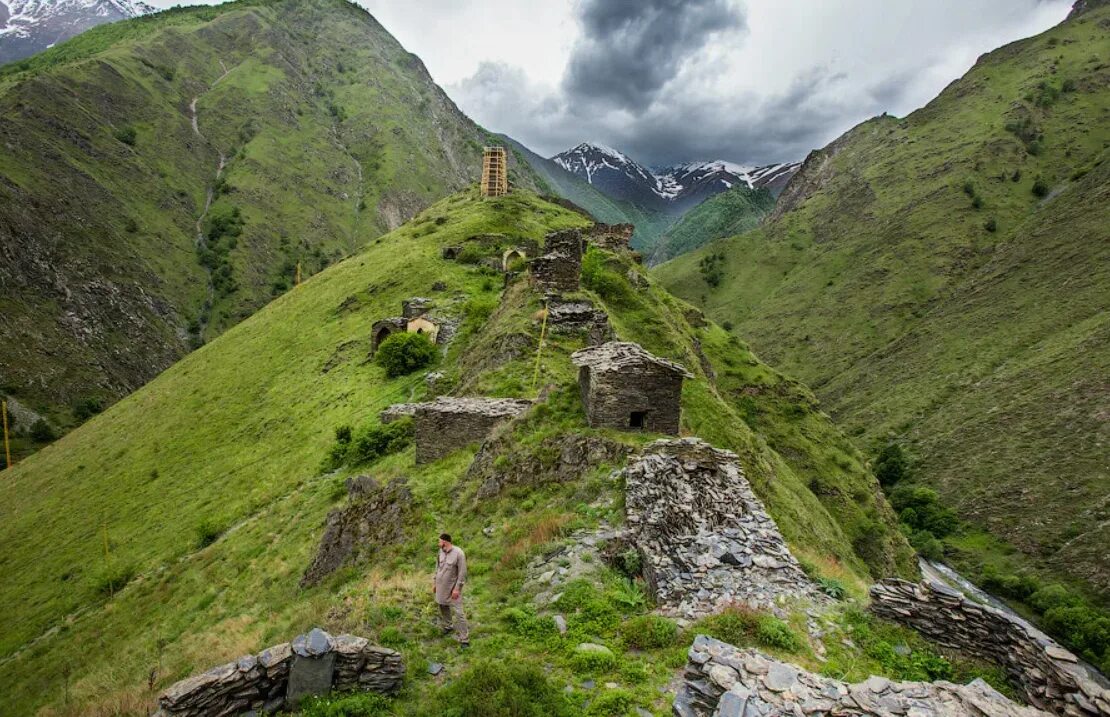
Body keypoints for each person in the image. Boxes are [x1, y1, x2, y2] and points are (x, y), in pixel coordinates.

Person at [434, 532, 469, 647]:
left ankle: (464, 639)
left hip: (453, 589)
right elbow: (437, 568)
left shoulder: (459, 553)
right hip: (440, 587)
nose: (438, 543)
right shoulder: (440, 552)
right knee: (442, 605)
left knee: (459, 613)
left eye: (439, 541)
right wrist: (435, 583)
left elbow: (462, 572)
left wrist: (457, 589)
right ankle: (448, 626)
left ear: (444, 541)